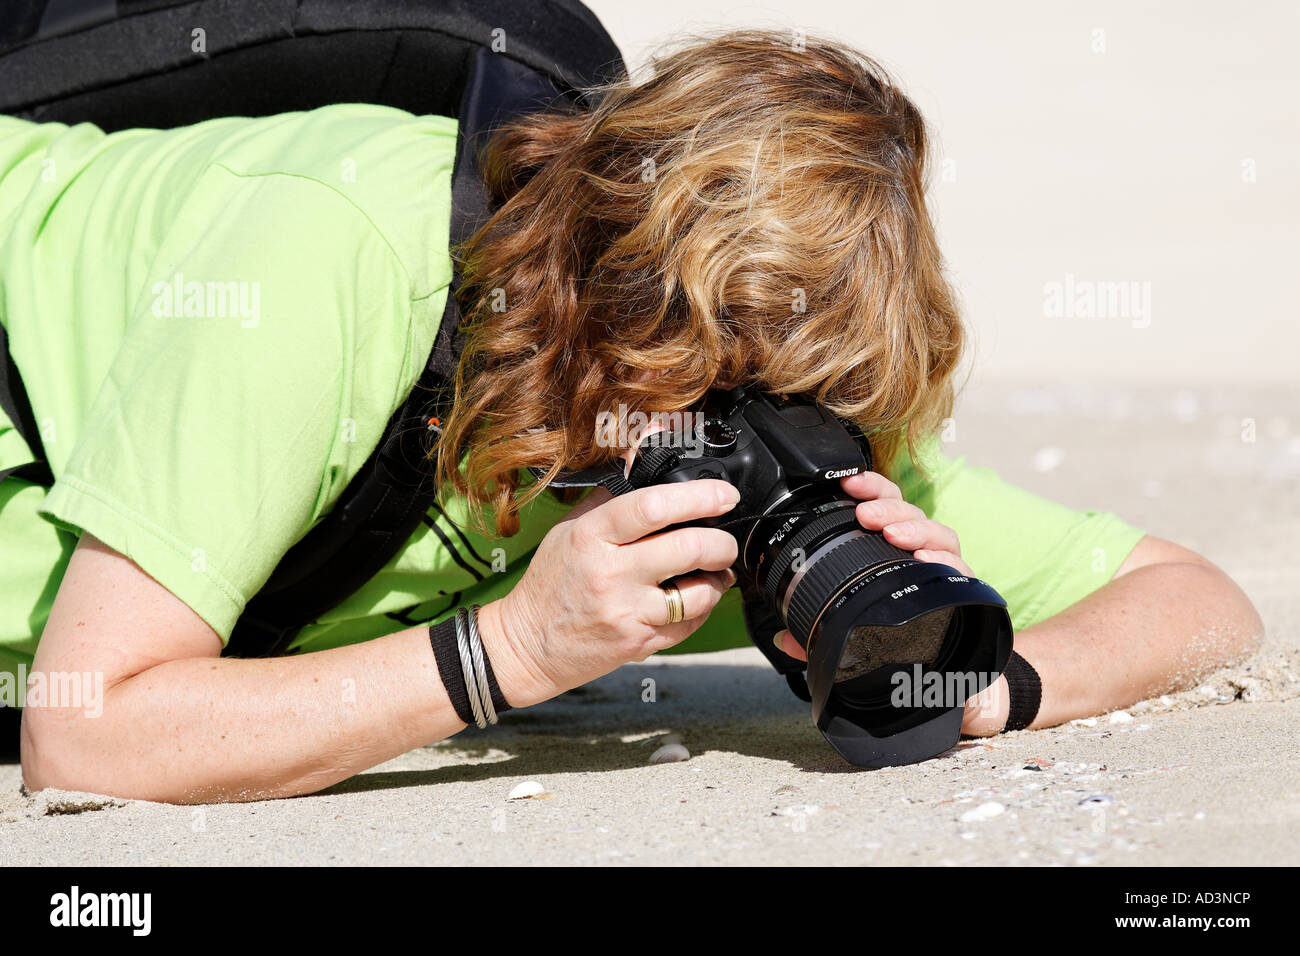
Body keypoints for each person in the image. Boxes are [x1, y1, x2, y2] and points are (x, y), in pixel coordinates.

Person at [0, 30, 1261, 803]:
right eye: (701, 377)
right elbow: (88, 735)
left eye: (802, 409)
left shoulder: (777, 449)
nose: (746, 435)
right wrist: (511, 654)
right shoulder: (332, 260)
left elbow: (1195, 594)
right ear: (590, 283)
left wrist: (972, 677)